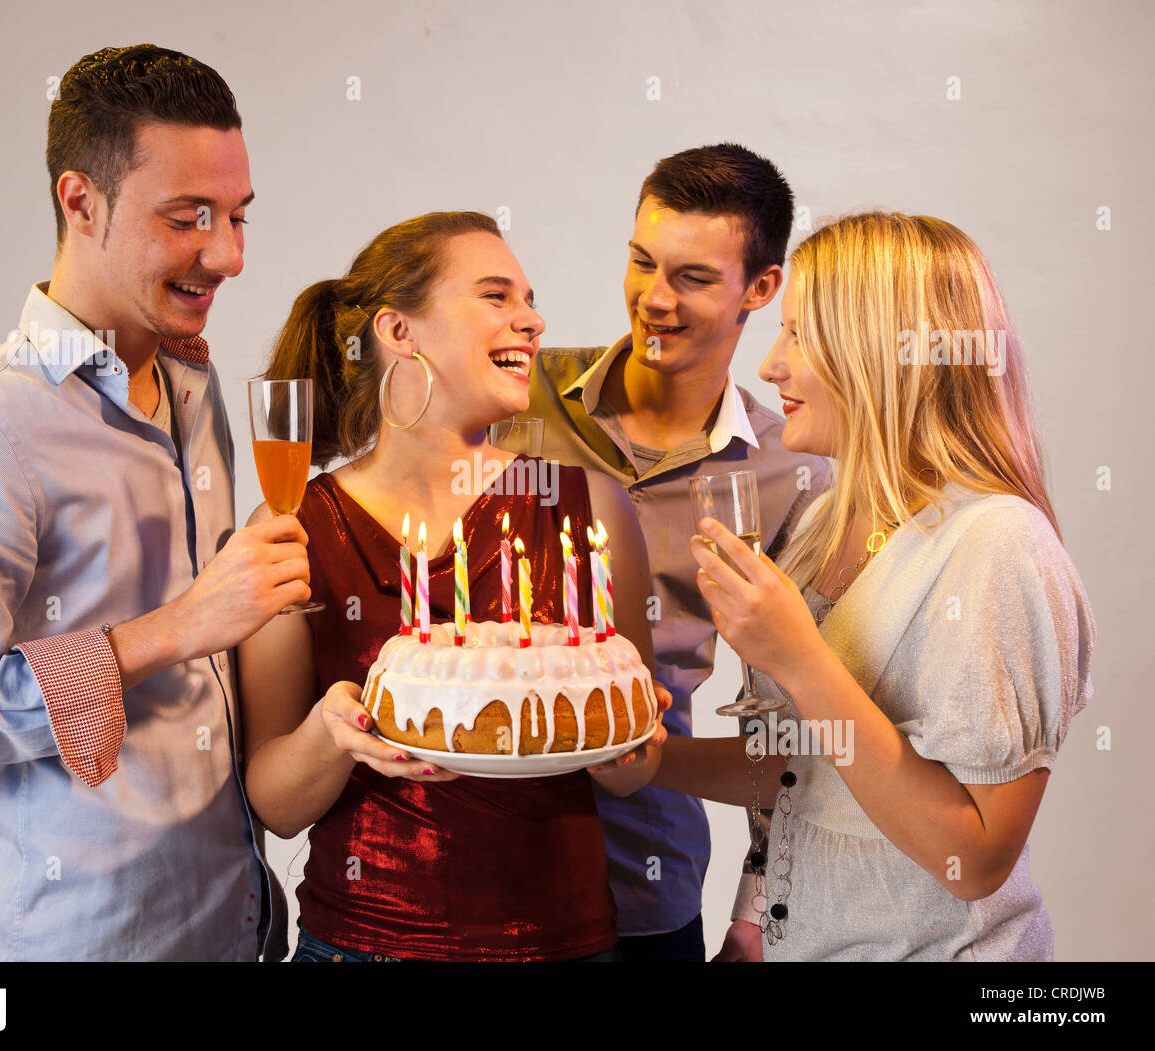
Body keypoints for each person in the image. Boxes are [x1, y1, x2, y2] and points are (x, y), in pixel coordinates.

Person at [0, 44, 309, 960]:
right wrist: (173, 628)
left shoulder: (195, 385)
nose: (226, 254)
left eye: (236, 215)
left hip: (236, 930)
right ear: (81, 202)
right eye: (189, 217)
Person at [639, 212, 1095, 959]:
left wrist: (797, 657)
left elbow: (977, 858)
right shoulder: (823, 520)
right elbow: (806, 772)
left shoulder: (998, 543)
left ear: (885, 353)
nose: (769, 366)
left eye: (799, 336)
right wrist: (655, 760)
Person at [237, 211, 669, 962]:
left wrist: (629, 748)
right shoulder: (294, 525)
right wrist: (329, 733)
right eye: (497, 296)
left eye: (528, 299)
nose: (531, 320)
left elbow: (637, 763)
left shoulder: (590, 506)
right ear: (400, 331)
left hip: (564, 945)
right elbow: (274, 801)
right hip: (361, 945)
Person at [498, 143, 828, 960]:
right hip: (477, 870)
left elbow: (787, 723)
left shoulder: (792, 472)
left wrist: (756, 915)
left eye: (693, 278)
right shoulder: (518, 393)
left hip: (642, 891)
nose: (654, 300)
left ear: (762, 288)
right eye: (642, 263)